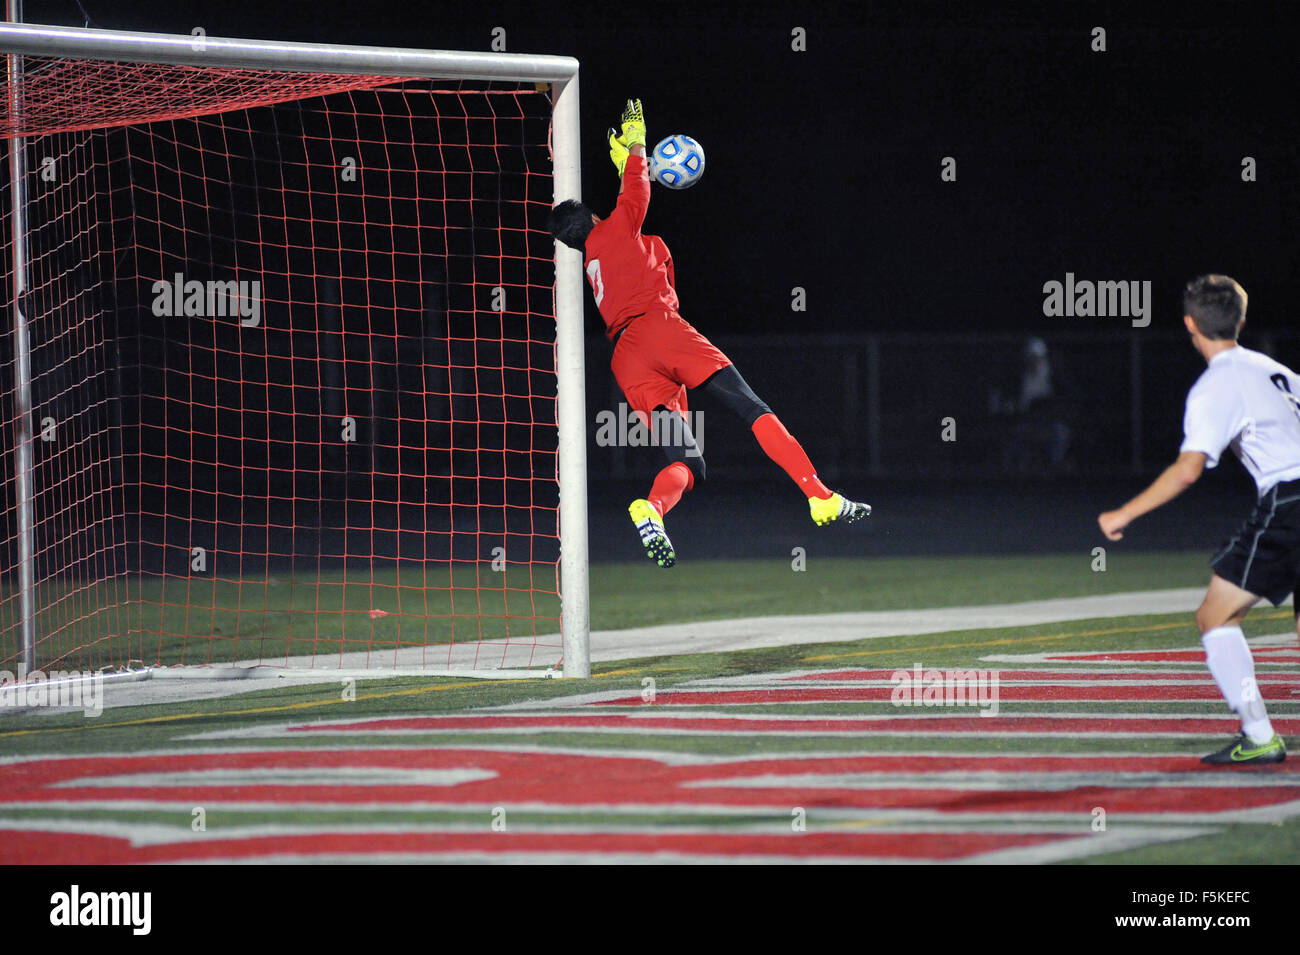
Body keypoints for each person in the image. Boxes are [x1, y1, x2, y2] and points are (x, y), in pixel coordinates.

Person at [547, 99, 869, 567]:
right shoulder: (615, 231)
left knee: (686, 461)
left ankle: (652, 509)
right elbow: (635, 194)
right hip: (658, 329)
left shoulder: (604, 256)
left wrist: (639, 167)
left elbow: (641, 226)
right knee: (749, 405)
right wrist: (636, 145)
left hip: (626, 356)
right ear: (595, 219)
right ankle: (819, 494)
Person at [1098, 274, 1290, 764]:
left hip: (1291, 501)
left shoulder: (1217, 382)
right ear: (1242, 320)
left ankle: (1259, 736)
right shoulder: (1276, 369)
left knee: (1216, 616)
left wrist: (1124, 512)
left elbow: (1187, 471)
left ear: (1190, 324)